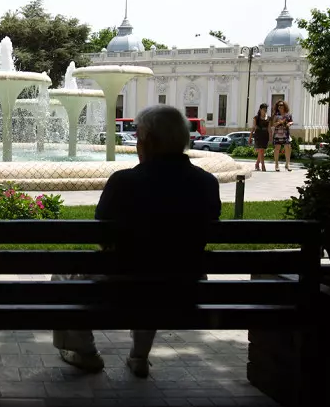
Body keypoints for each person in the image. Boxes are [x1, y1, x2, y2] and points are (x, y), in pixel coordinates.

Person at [52, 105, 221, 377]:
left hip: (121, 290)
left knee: (64, 277)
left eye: (139, 138)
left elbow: (101, 230)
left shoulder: (124, 182)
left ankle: (85, 352)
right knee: (157, 271)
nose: (138, 145)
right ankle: (139, 357)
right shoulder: (206, 183)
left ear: (151, 142)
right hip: (185, 289)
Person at [271, 100, 293, 172]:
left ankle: (287, 164)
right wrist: (278, 122)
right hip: (277, 133)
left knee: (288, 147)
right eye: (279, 105)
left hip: (285, 133)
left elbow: (291, 121)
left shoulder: (288, 115)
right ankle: (276, 164)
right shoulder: (275, 115)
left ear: (284, 106)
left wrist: (289, 124)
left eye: (281, 105)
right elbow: (273, 124)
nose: (280, 106)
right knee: (277, 148)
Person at [249, 103, 270, 171]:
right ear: (260, 109)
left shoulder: (268, 118)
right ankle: (263, 165)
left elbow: (269, 128)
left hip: (265, 135)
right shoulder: (256, 118)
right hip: (258, 135)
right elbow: (253, 127)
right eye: (264, 109)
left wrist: (271, 136)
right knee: (260, 150)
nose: (265, 110)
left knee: (262, 151)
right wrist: (250, 137)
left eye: (266, 109)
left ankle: (257, 164)